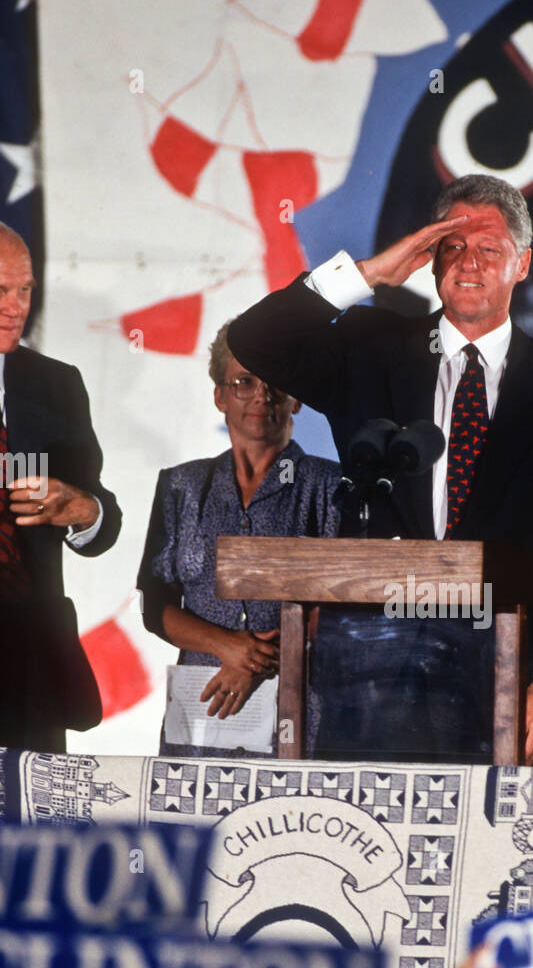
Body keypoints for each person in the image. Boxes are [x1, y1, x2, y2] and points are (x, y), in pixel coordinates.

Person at [228, 174, 533, 764]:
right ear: (431, 257)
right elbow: (256, 340)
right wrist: (365, 275)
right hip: (367, 667)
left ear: (523, 264)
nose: (469, 263)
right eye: (453, 246)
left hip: (502, 669)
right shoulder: (369, 346)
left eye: (490, 250)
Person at [137, 321, 342, 757]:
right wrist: (229, 648)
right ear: (220, 396)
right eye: (244, 382)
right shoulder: (182, 486)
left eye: (276, 382)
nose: (261, 396)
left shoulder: (331, 486)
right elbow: (156, 608)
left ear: (297, 397)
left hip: (300, 712)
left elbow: (343, 610)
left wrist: (255, 664)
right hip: (200, 713)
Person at [0, 223, 121, 752]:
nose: (16, 306)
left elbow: (102, 515)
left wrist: (80, 508)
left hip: (30, 672)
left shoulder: (55, 385)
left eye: (25, 290)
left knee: (28, 832)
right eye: (0, 290)